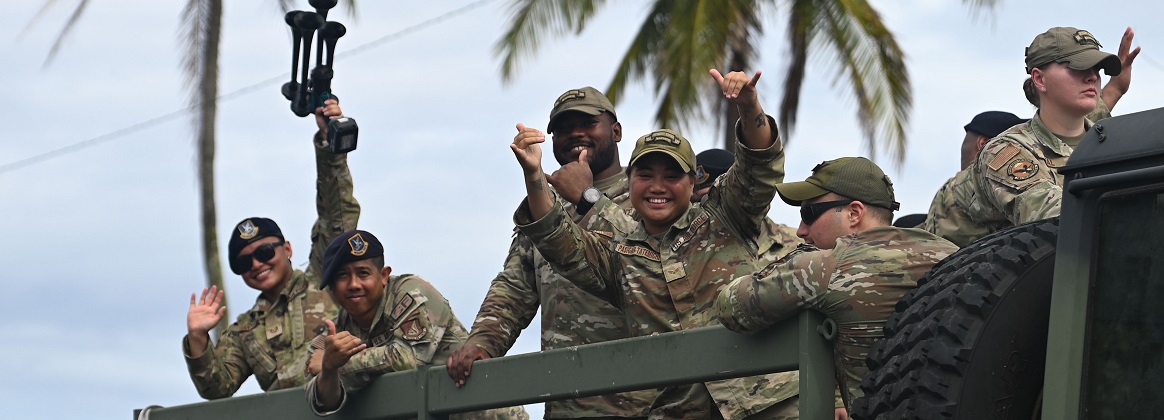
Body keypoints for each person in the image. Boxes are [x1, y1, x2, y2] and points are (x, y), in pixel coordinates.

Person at [511, 69, 806, 419]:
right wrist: (533, 176)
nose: (657, 186)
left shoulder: (724, 217)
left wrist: (749, 106)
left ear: (691, 180)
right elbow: (557, 239)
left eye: (671, 176)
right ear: (629, 181)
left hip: (765, 403)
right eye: (646, 175)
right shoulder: (620, 258)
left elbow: (760, 166)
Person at [446, 87, 659, 418]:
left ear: (616, 131)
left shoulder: (649, 194)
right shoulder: (546, 206)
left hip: (643, 402)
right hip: (565, 403)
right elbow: (515, 287)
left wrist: (586, 197)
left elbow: (653, 265)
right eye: (563, 128)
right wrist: (481, 344)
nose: (575, 133)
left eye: (588, 123)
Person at [715, 157, 959, 412]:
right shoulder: (953, 253)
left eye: (808, 214)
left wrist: (797, 260)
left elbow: (731, 308)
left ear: (854, 213)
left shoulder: (826, 268)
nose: (800, 230)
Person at [182, 99, 359, 399]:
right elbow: (217, 386)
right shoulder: (246, 331)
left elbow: (336, 212)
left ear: (287, 249)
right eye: (243, 263)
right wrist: (198, 337)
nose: (255, 265)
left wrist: (331, 144)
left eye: (264, 253)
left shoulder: (325, 277)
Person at [942, 26, 1138, 245]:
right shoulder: (1007, 152)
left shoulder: (1113, 145)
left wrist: (1116, 89)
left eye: (1097, 69)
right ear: (1040, 79)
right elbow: (1054, 216)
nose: (1092, 76)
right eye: (1078, 67)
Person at [305, 230, 528, 419]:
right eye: (342, 276)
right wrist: (329, 369)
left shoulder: (411, 293)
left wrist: (340, 364)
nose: (354, 284)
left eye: (363, 273)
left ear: (383, 275)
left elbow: (407, 359)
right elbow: (321, 400)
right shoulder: (333, 334)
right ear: (331, 286)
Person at [922, 111, 1026, 245]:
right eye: (1016, 144)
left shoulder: (950, 193)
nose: (1025, 150)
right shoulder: (978, 183)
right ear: (984, 144)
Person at [694, 148, 801, 254]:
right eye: (698, 201)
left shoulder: (798, 246)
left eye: (716, 198)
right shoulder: (687, 255)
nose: (707, 208)